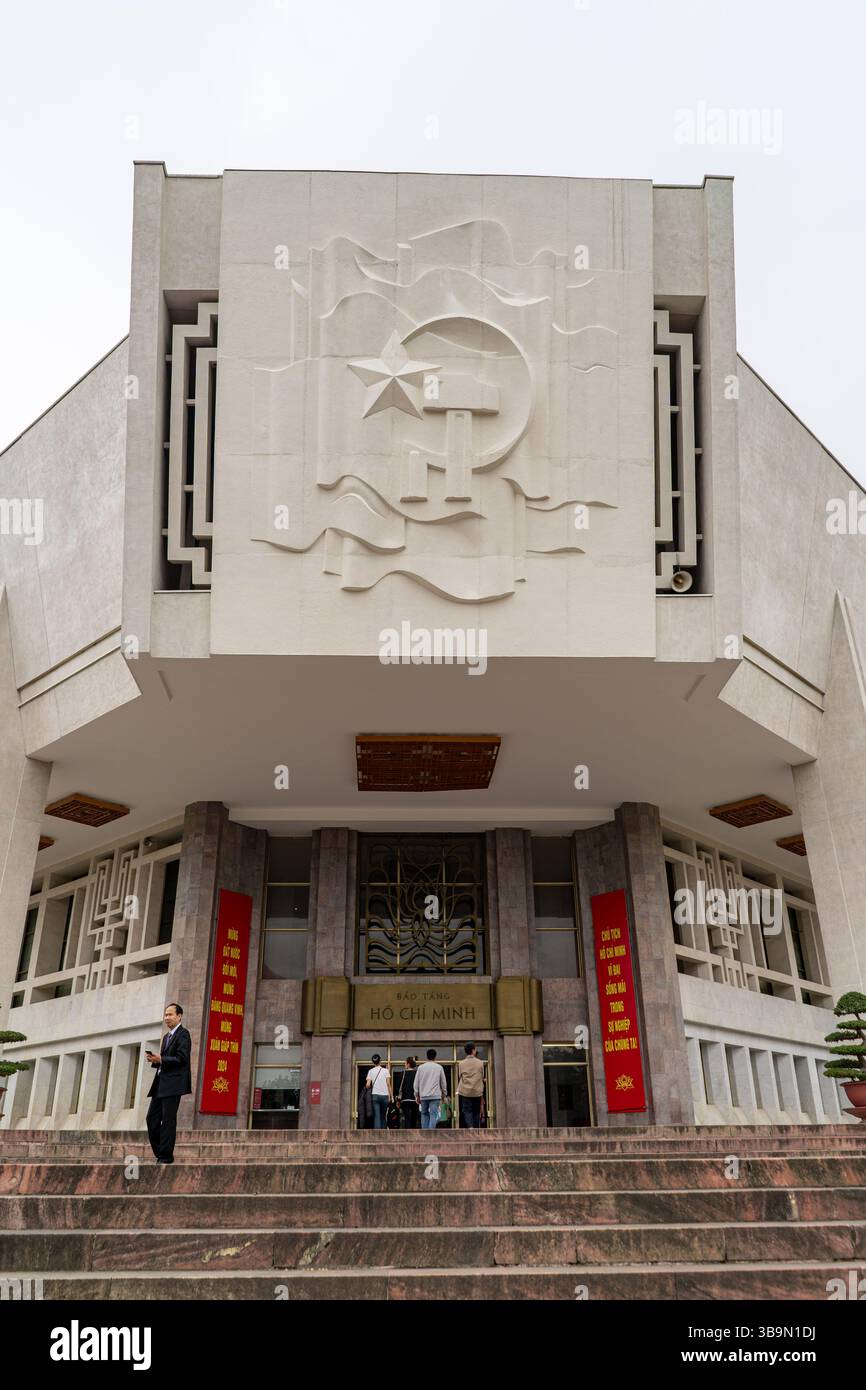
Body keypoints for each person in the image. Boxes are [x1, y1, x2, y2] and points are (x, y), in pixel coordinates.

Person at [145, 1003, 192, 1164]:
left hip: (173, 1085)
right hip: (160, 1084)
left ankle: (165, 1157)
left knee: (168, 1120)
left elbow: (182, 1059)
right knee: (151, 1119)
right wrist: (156, 1061)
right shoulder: (167, 1037)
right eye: (165, 1015)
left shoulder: (183, 1034)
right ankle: (161, 1153)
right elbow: (166, 1061)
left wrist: (162, 1059)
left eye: (170, 1014)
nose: (167, 1018)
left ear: (179, 1016)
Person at [414, 1047, 448, 1129]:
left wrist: (416, 1095)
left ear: (427, 1056)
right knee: (433, 1114)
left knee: (424, 1114)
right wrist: (444, 1095)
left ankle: (425, 1133)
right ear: (435, 1057)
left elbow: (416, 1083)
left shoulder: (421, 1068)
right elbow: (443, 1083)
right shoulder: (439, 1067)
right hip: (435, 1095)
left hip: (423, 1095)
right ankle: (430, 1133)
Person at [456, 1041, 485, 1129]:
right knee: (476, 1111)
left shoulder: (461, 1063)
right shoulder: (480, 1062)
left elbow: (459, 1076)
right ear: (473, 1050)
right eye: (475, 1049)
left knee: (467, 1110)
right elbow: (482, 1076)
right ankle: (476, 1128)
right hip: (477, 1091)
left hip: (465, 1091)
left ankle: (470, 1127)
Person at [365, 1054, 392, 1129]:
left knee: (377, 1116)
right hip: (385, 1096)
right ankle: (383, 1135)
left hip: (375, 1095)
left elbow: (367, 1085)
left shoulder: (370, 1071)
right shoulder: (385, 1071)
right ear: (380, 1061)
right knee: (383, 1116)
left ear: (373, 1062)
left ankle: (377, 1135)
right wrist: (391, 1096)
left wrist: (370, 1085)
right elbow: (388, 1084)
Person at [395, 1056, 419, 1129]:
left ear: (408, 1064)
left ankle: (407, 1135)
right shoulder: (417, 1073)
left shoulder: (403, 1073)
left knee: (407, 1118)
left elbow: (399, 1087)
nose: (404, 1065)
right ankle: (414, 1135)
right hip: (415, 1100)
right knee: (414, 1118)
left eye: (405, 1063)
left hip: (405, 1100)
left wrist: (398, 1099)